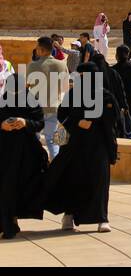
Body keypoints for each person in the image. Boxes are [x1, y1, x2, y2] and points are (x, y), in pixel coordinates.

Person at [43, 55, 120, 233]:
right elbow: (62, 114)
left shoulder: (104, 95)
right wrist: (77, 122)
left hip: (98, 145)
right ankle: (69, 216)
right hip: (74, 145)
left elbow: (114, 116)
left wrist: (97, 119)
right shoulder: (73, 95)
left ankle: (102, 218)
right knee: (73, 179)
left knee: (99, 181)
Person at [0, 68, 50, 239]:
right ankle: (7, 224)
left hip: (27, 153)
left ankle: (12, 219)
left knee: (23, 187)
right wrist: (2, 125)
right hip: (5, 152)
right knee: (6, 187)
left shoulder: (31, 101)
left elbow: (39, 123)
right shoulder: (2, 100)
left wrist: (25, 122)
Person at [26, 36, 68, 160]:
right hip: (55, 107)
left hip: (36, 109)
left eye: (37, 47)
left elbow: (27, 87)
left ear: (42, 50)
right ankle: (56, 170)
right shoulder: (61, 65)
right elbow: (65, 87)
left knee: (34, 138)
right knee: (53, 142)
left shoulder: (33, 66)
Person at [112, 45, 131, 140]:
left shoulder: (114, 70)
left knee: (123, 130)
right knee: (130, 126)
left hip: (119, 104)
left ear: (117, 55)